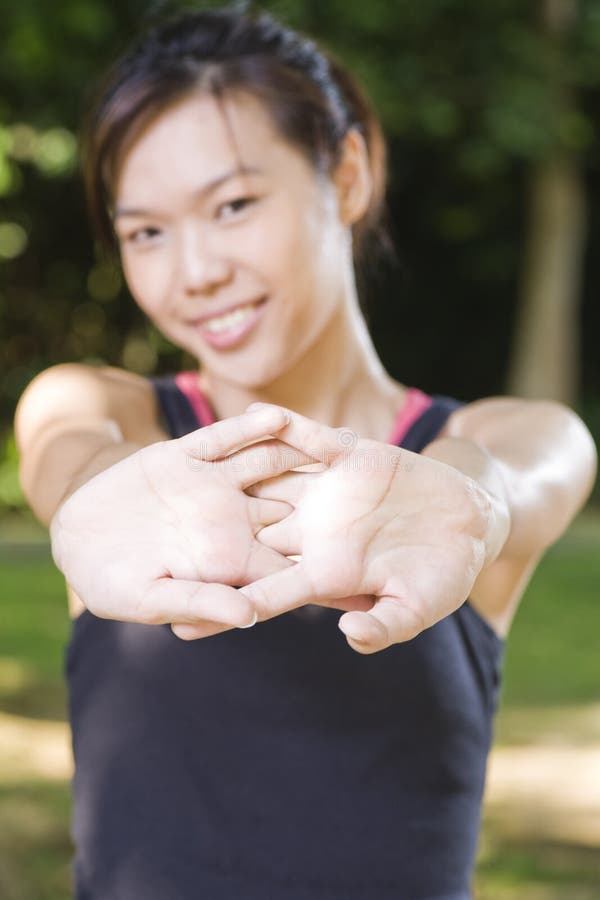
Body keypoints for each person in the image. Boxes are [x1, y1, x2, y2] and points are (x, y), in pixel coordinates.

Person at [14, 5, 597, 899]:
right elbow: (72, 455)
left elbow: (536, 461)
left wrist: (475, 498)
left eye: (234, 204)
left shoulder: (468, 452)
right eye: (146, 232)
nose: (195, 269)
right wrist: (96, 489)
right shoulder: (104, 417)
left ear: (349, 174)